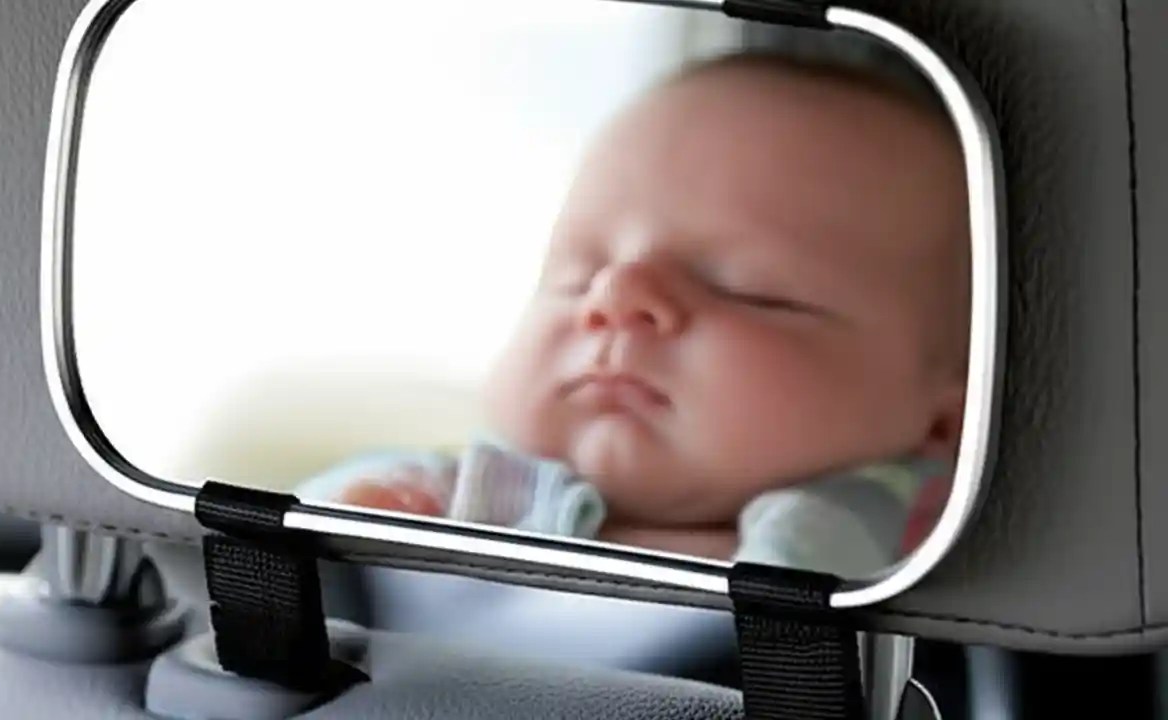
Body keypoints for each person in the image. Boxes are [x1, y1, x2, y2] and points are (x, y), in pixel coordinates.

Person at [295, 50, 969, 580]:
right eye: (575, 276)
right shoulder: (463, 494)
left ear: (947, 420)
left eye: (752, 290)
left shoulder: (922, 551)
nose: (615, 297)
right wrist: (364, 519)